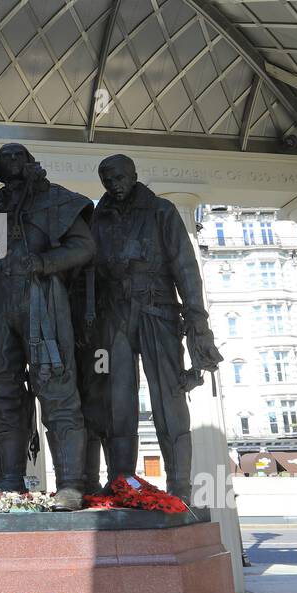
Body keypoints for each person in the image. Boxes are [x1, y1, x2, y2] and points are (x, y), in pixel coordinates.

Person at [89, 153, 222, 504]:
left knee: (169, 398)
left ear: (134, 174)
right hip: (114, 316)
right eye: (106, 180)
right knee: (117, 401)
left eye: (118, 177)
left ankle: (180, 486)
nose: (113, 184)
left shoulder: (161, 211)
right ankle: (121, 482)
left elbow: (186, 269)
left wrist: (197, 321)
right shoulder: (96, 218)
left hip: (158, 311)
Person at [0, 143, 94, 509]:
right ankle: (9, 479)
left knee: (55, 386)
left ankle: (70, 484)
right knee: (1, 389)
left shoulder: (58, 199)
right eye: (3, 157)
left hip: (41, 298)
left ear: (30, 163)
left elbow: (84, 246)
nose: (9, 161)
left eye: (16, 155)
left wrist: (42, 262)